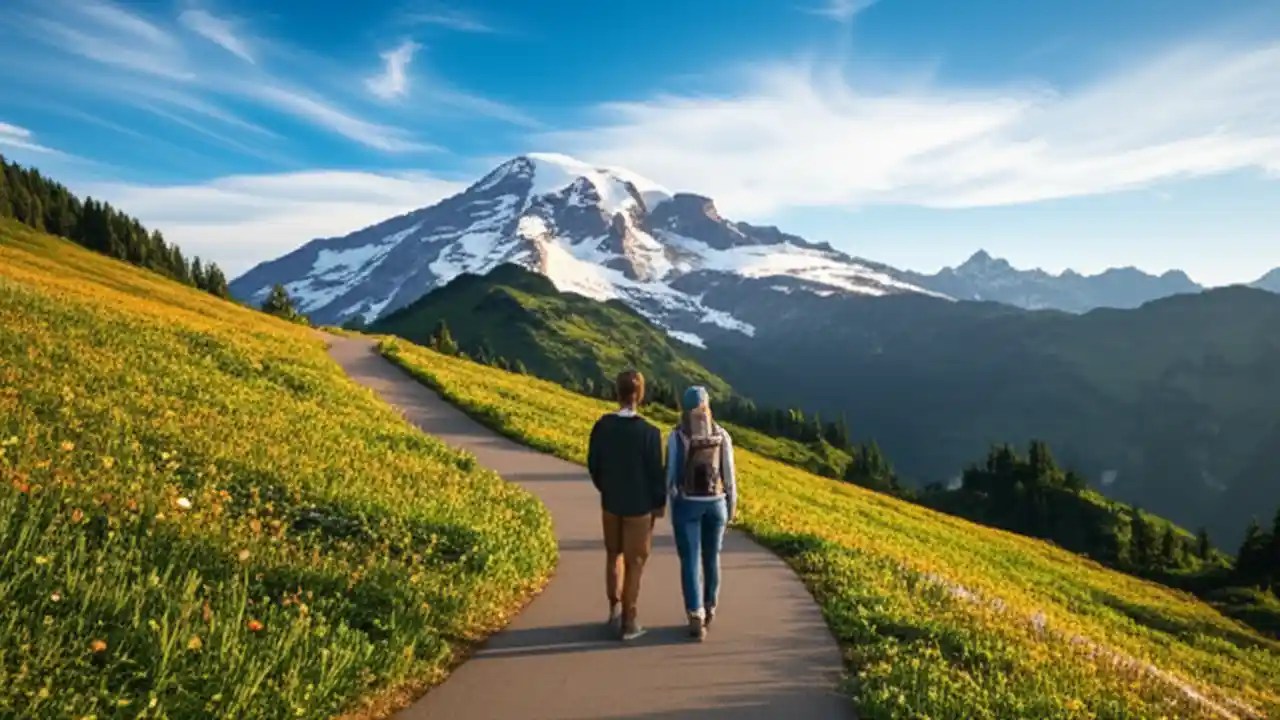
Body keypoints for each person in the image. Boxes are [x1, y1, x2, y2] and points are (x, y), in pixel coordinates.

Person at [587, 369, 666, 641]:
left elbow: (593, 465)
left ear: (616, 393)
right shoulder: (650, 433)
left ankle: (614, 609)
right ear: (640, 395)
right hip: (639, 508)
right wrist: (658, 505)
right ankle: (629, 621)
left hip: (611, 502)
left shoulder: (602, 426)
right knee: (636, 562)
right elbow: (657, 475)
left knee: (613, 555)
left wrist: (606, 488)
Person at [667, 385, 737, 641]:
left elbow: (671, 478)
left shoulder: (677, 436)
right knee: (712, 557)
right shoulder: (722, 435)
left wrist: (671, 505)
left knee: (690, 559)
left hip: (688, 504)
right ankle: (710, 606)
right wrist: (730, 509)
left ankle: (695, 613)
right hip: (716, 502)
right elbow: (729, 478)